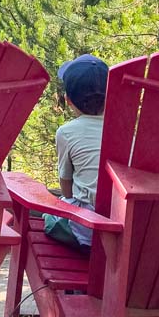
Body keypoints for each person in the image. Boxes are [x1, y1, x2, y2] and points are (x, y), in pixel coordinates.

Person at [43, 54, 108, 250]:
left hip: (89, 232)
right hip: (125, 227)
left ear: (68, 99)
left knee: (49, 219)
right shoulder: (126, 129)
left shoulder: (66, 132)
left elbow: (67, 189)